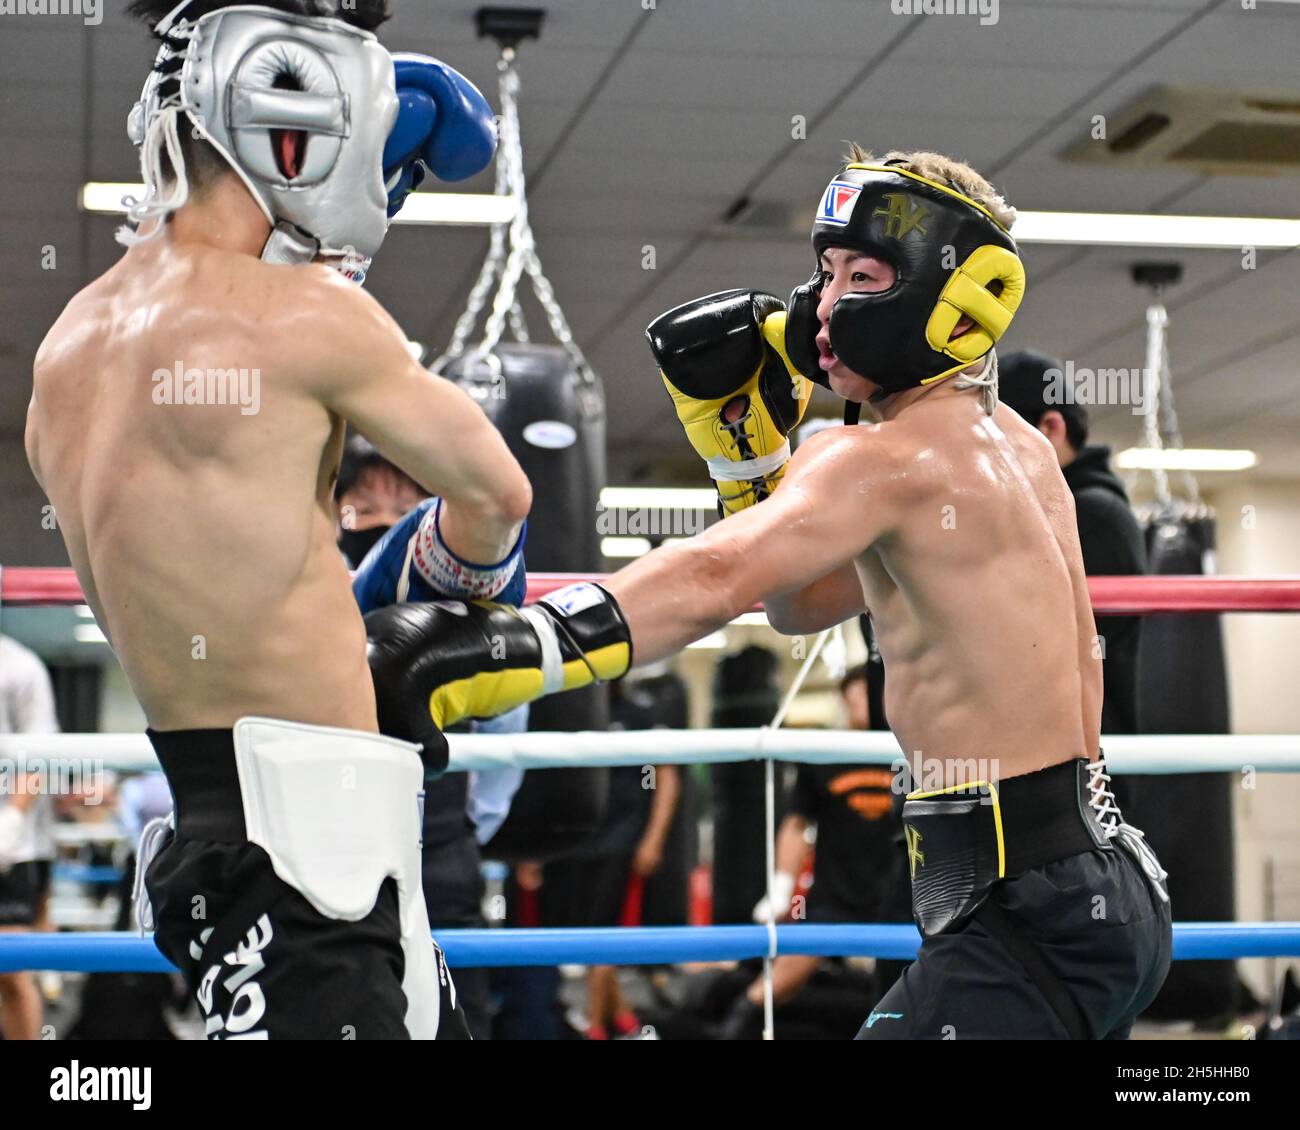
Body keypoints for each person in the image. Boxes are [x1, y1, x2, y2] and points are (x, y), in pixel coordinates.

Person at [367, 147, 1173, 1040]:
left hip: (1027, 912)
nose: (824, 308)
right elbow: (802, 602)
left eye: (863, 277)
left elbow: (718, 576)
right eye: (824, 274)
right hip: (1089, 887)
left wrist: (514, 645)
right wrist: (753, 461)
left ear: (957, 299)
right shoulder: (1013, 442)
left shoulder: (880, 459)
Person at [26, 0, 526, 1039]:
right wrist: (446, 592)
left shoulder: (67, 346)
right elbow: (497, 495)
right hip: (313, 862)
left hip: (223, 832)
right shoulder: (312, 320)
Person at [996, 349, 1147, 735]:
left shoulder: (1092, 517)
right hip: (1053, 757)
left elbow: (1042, 644)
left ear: (1050, 428)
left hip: (1082, 765)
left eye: (996, 440)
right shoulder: (1063, 510)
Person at [0, 634, 59, 1040]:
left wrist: (10, 821)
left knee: (10, 972)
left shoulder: (20, 666)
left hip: (13, 850)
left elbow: (41, 754)